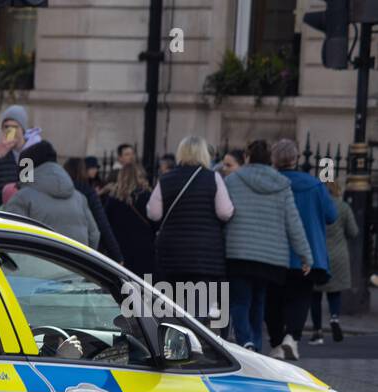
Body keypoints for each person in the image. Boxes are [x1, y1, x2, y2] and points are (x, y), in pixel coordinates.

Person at [221, 139, 310, 353]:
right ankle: (256, 346)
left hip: (238, 251)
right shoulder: (282, 184)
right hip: (271, 258)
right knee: (259, 303)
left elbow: (223, 214)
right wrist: (306, 256)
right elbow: (293, 222)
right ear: (270, 159)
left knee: (240, 301)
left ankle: (245, 342)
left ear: (248, 158)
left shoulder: (232, 181)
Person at [147, 136, 232, 326]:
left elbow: (153, 213)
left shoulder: (166, 179)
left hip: (172, 253)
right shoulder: (213, 178)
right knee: (200, 305)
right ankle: (197, 341)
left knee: (172, 304)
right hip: (204, 254)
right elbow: (225, 212)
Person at [265, 138, 335, 360]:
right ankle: (291, 338)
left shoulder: (270, 183)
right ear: (296, 159)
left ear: (274, 160)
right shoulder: (315, 185)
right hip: (306, 253)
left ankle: (276, 342)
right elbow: (332, 216)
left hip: (274, 251)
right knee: (301, 296)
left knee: (272, 299)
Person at [1, 141, 99, 248]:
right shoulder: (79, 198)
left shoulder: (22, 198)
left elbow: (10, 239)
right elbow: (94, 235)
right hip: (74, 263)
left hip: (37, 264)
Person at [309, 180, 356, 344]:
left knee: (315, 294)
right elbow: (353, 231)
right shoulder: (343, 207)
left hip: (318, 253)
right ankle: (334, 318)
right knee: (334, 292)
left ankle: (317, 331)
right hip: (339, 255)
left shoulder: (315, 206)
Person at [102, 160, 156, 279]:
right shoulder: (146, 196)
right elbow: (155, 223)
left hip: (119, 253)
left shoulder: (113, 199)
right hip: (144, 253)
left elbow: (105, 225)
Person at [64, 156, 122, 261]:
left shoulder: (61, 190)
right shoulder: (87, 191)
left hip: (57, 246)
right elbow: (101, 226)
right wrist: (117, 256)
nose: (95, 170)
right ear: (83, 170)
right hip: (81, 248)